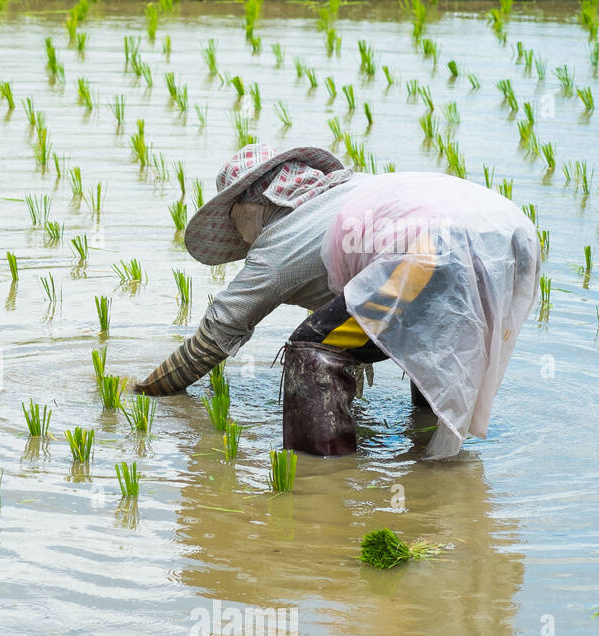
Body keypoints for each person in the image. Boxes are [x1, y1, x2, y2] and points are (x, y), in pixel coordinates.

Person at [133, 143, 540, 460]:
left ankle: (325, 474)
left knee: (313, 350)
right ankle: (428, 461)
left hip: (429, 251)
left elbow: (215, 336)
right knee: (423, 339)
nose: (237, 234)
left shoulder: (281, 243)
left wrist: (146, 388)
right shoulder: (349, 192)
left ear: (254, 205)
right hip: (506, 234)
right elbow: (356, 311)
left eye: (232, 216)